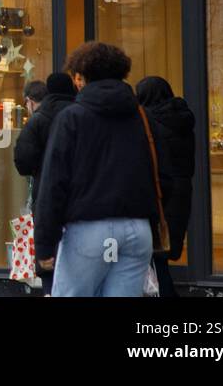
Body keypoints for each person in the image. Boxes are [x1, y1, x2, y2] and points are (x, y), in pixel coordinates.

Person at [35, 42, 169, 297]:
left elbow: (54, 183)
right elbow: (164, 174)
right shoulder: (141, 116)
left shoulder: (72, 118)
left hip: (88, 229)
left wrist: (44, 244)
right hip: (137, 229)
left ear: (81, 78)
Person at [12, 73, 76, 293]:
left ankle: (51, 290)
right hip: (83, 199)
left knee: (49, 254)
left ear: (30, 101)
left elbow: (22, 161)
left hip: (48, 192)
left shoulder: (39, 120)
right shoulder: (83, 114)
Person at [137, 76, 195, 298]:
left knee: (156, 251)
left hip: (161, 190)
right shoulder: (183, 118)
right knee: (163, 249)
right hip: (182, 189)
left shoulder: (151, 122)